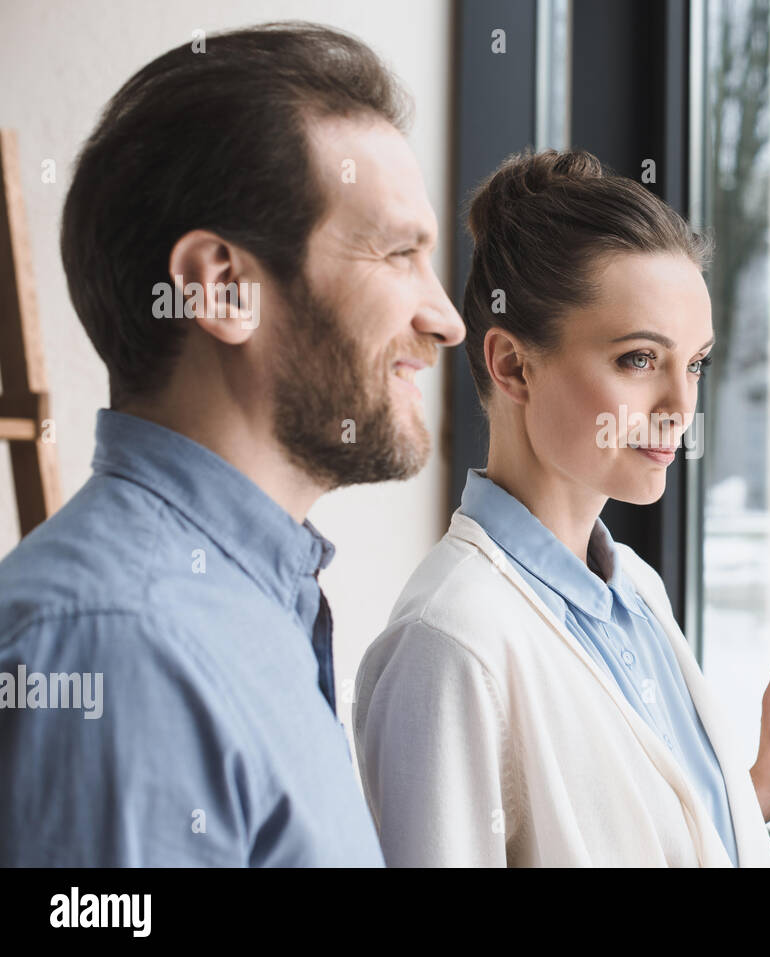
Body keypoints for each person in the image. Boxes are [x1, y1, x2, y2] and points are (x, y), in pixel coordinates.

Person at [0, 22, 465, 865]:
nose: (446, 319)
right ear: (220, 287)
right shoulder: (121, 648)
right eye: (400, 254)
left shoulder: (244, 608)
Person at [353, 148, 770, 866]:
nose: (682, 406)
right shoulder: (451, 644)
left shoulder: (635, 590)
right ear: (513, 365)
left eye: (696, 363)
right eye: (640, 359)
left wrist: (745, 799)